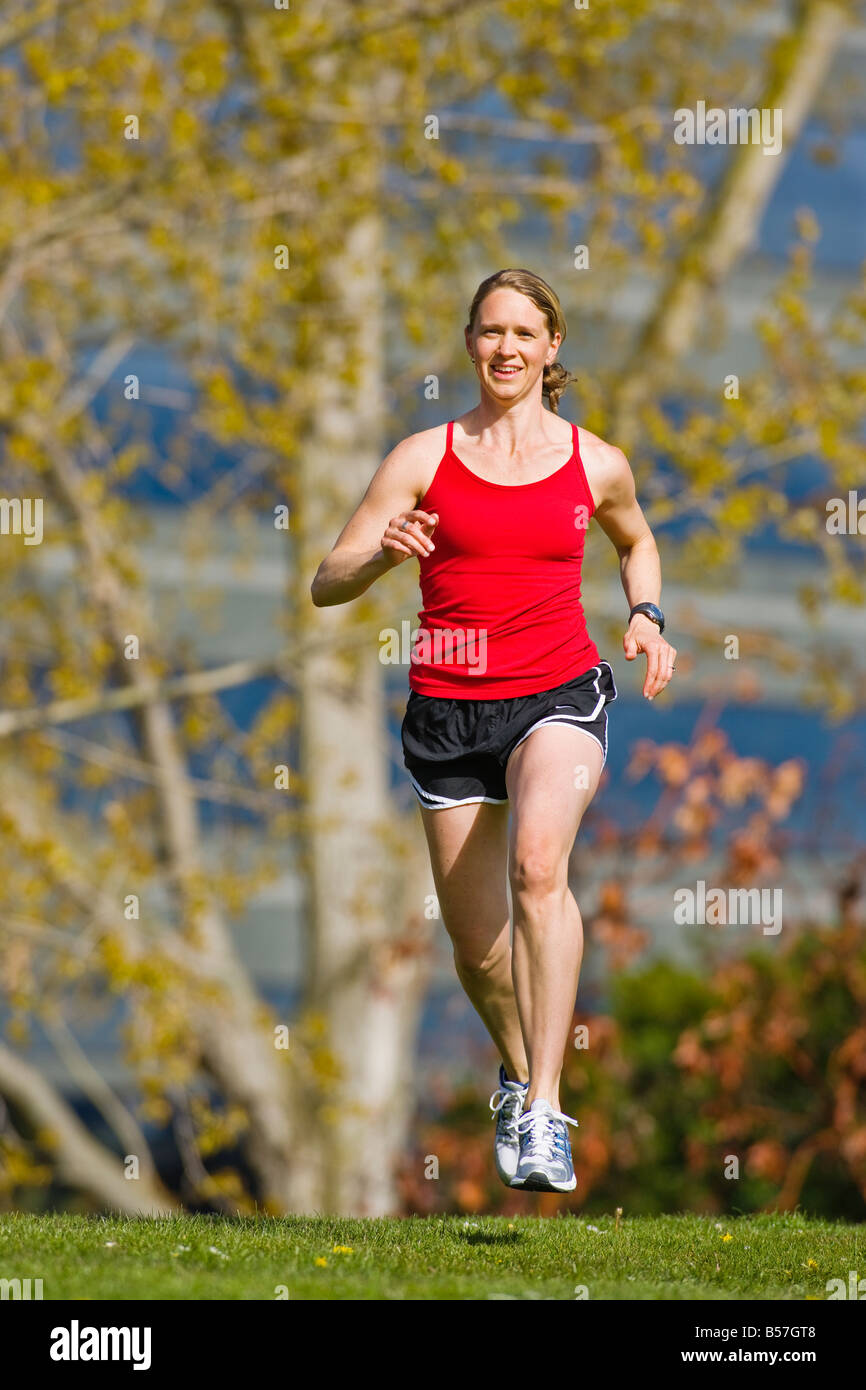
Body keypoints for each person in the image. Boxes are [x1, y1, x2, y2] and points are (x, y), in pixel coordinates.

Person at [311, 267, 676, 1194]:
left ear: (553, 347)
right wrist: (381, 554)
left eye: (523, 332)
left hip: (558, 693)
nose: (505, 348)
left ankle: (547, 1107)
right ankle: (518, 1072)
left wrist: (646, 615)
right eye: (490, 331)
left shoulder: (596, 463)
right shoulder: (420, 458)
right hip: (448, 711)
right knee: (478, 949)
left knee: (538, 868)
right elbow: (326, 580)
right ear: (470, 343)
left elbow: (636, 539)